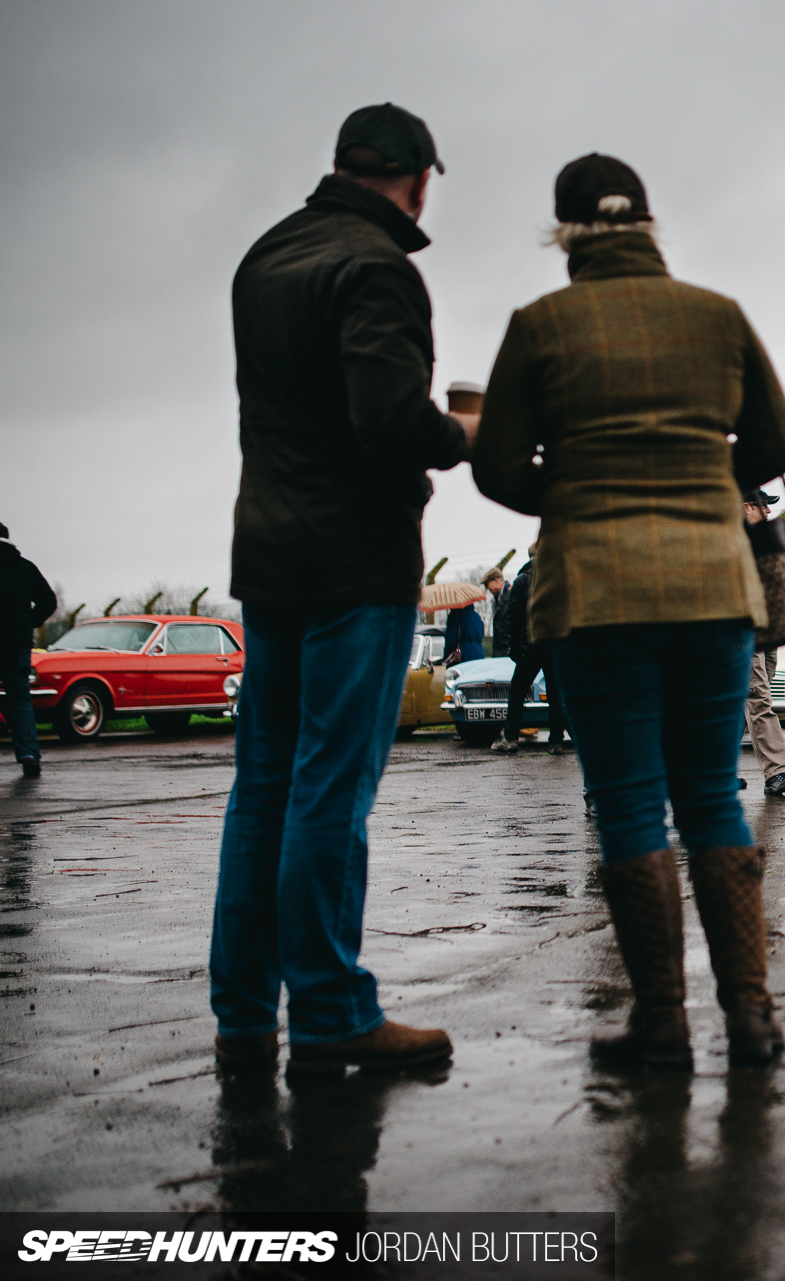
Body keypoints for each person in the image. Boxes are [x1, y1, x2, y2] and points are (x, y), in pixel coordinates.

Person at [472, 153, 785, 1071]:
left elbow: (497, 465)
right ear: (650, 226)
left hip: (596, 596)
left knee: (626, 804)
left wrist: (580, 487)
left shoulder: (540, 328)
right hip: (711, 590)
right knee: (710, 794)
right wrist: (696, 481)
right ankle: (754, 1017)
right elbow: (778, 440)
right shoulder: (716, 315)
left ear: (566, 235)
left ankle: (661, 1020)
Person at [212, 103, 468, 1078]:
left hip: (268, 554)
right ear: (414, 177)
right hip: (355, 562)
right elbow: (389, 417)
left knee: (264, 788)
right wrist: (463, 438)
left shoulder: (266, 256)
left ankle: (244, 1016)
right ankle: (329, 1012)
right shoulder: (376, 267)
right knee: (329, 786)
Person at [741, 491, 785, 796]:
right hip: (743, 630)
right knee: (758, 697)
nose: (767, 512)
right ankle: (777, 773)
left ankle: (715, 770)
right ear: (745, 506)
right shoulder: (732, 539)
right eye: (762, 506)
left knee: (743, 703)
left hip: (767, 631)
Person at [491, 553, 570, 754]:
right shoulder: (558, 578)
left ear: (529, 557)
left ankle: (510, 739)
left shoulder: (521, 581)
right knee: (555, 694)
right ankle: (556, 741)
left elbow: (513, 617)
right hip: (552, 645)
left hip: (529, 645)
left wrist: (514, 648)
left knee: (517, 692)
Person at [0, 522, 57, 779]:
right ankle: (29, 755)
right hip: (17, 643)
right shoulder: (24, 567)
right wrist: (28, 623)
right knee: (19, 698)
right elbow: (49, 600)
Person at [445, 568, 502, 665]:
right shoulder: (477, 617)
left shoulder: (455, 616)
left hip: (462, 657)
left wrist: (446, 655)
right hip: (479, 655)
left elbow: (451, 640)